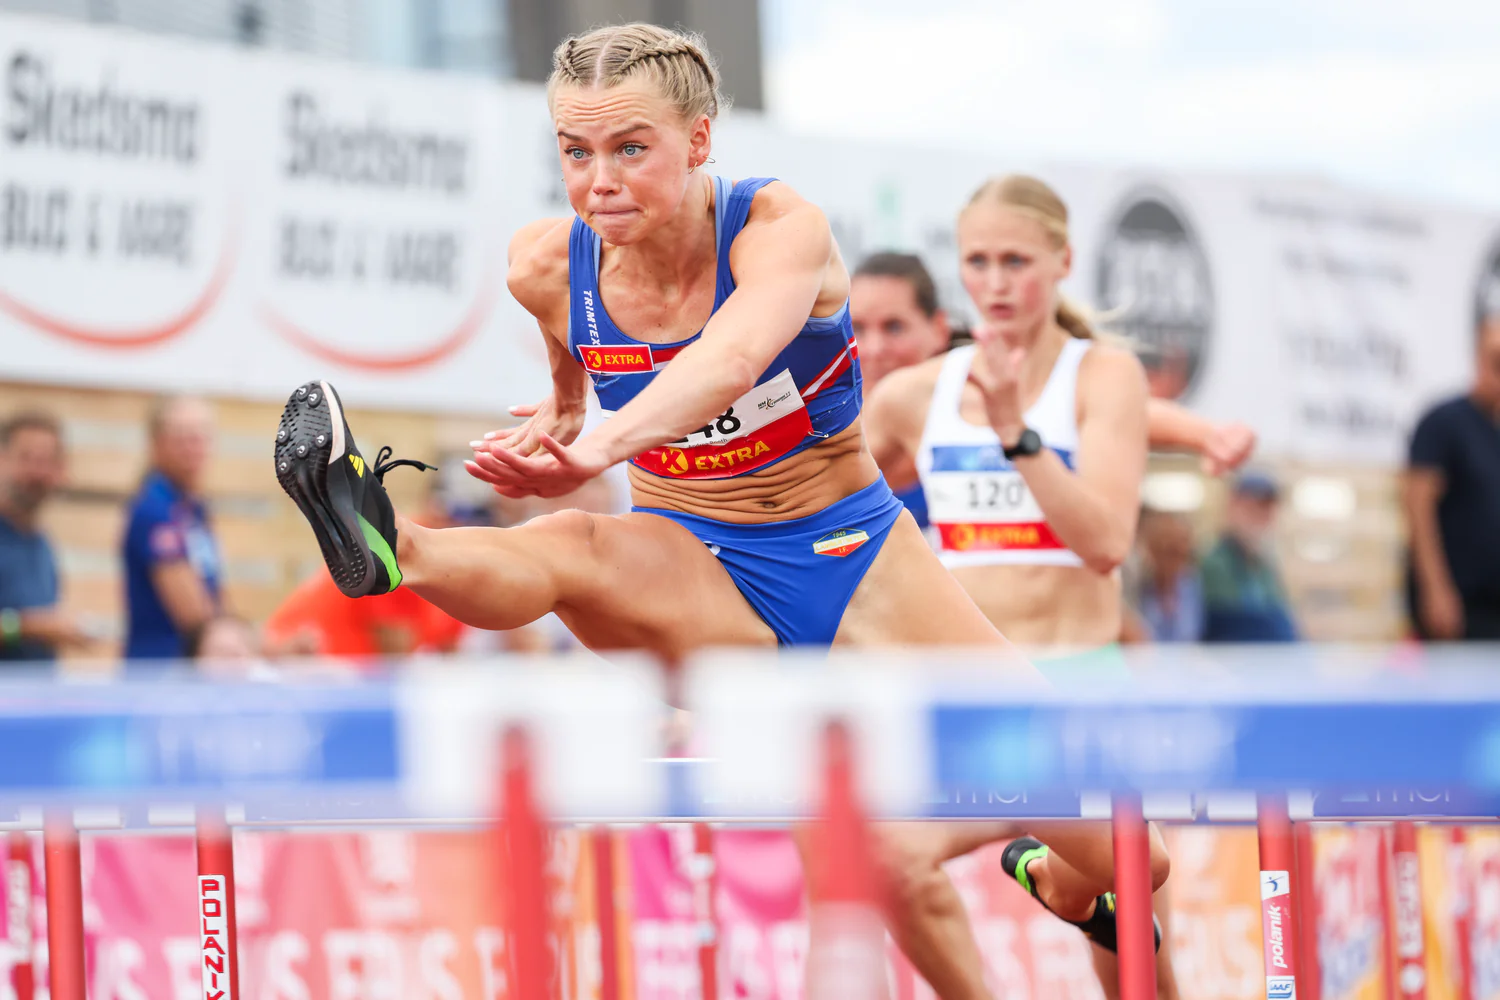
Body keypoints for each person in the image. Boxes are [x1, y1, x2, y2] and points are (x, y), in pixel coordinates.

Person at [273, 24, 1162, 999]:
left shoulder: (781, 228)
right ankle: (392, 544)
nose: (600, 182)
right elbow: (571, 346)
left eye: (630, 148)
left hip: (854, 562)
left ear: (699, 140)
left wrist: (599, 442)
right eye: (575, 152)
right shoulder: (544, 267)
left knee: (1135, 857)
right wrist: (567, 405)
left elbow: (733, 359)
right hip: (692, 558)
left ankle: (1059, 884)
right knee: (568, 545)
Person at [866, 175, 1183, 998]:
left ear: (1063, 262)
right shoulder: (914, 397)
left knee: (1141, 959)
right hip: (971, 702)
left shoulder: (1103, 376)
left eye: (1017, 261)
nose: (996, 282)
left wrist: (1017, 435)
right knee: (892, 858)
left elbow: (1106, 543)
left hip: (1081, 697)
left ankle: (1059, 883)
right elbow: (814, 511)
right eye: (978, 262)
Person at [1405, 315, 1500, 640]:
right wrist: (1435, 589)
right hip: (1459, 607)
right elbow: (1417, 508)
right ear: (1478, 357)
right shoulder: (1444, 422)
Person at [122, 396, 223, 661]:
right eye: (181, 438)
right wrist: (266, 649)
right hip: (161, 673)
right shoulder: (156, 511)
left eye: (200, 436)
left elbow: (214, 599)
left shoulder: (193, 508)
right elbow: (195, 618)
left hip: (190, 670)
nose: (193, 447)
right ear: (156, 444)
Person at [0, 412, 91, 663]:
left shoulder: (42, 544)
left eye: (47, 461)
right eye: (26, 458)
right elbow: (31, 625)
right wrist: (30, 627)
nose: (37, 472)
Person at [1200, 470, 1299, 642]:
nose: (1264, 517)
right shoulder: (1212, 566)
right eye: (1255, 508)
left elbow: (1284, 626)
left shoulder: (1265, 568)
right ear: (1233, 506)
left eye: (1268, 509)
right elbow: (1236, 628)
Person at [1130, 507, 1205, 643]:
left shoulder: (1190, 585)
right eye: (1170, 551)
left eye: (1183, 554)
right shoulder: (1135, 587)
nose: (1175, 562)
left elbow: (1192, 637)